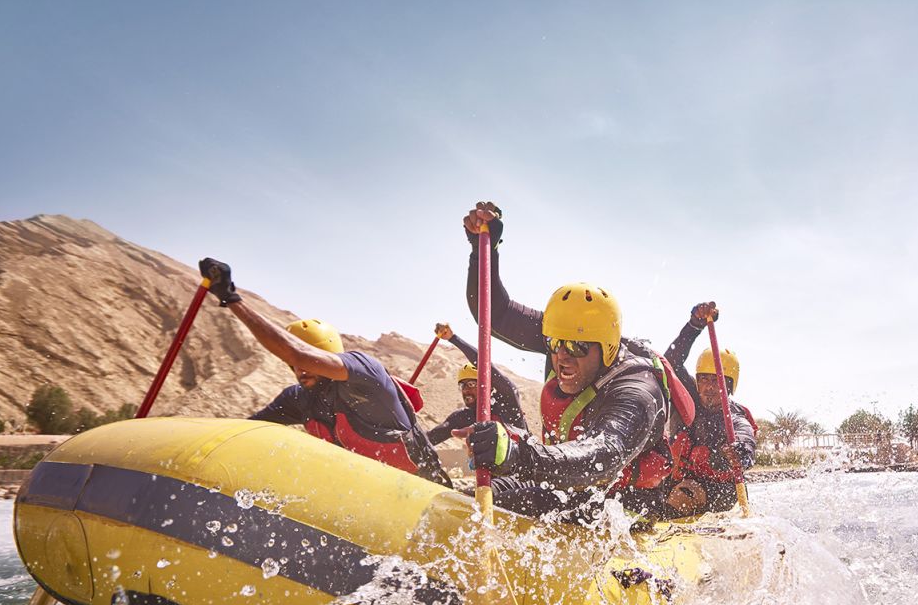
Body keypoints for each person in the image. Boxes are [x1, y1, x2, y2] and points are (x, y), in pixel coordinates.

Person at [458, 202, 694, 522]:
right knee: (472, 500)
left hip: (623, 505)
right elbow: (495, 314)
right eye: (554, 344)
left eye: (576, 347)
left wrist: (516, 453)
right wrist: (483, 250)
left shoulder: (638, 390)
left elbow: (604, 456)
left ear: (607, 347)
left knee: (518, 503)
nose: (561, 357)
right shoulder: (565, 335)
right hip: (561, 481)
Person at [198, 258, 452, 488]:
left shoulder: (365, 371)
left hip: (423, 487)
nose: (299, 369)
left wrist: (230, 298)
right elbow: (247, 430)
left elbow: (296, 353)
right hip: (368, 494)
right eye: (294, 365)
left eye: (308, 360)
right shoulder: (297, 398)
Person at [661, 301, 757, 515]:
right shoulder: (690, 399)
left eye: (717, 381)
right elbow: (671, 363)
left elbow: (746, 438)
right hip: (682, 480)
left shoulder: (734, 417)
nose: (709, 387)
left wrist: (740, 452)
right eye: (704, 379)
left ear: (730, 386)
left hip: (722, 492)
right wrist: (694, 325)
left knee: (682, 495)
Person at [425, 322, 530, 445]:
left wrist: (453, 339)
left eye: (470, 384)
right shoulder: (464, 416)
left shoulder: (507, 401)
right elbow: (430, 438)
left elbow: (485, 365)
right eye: (462, 386)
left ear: (488, 386)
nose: (465, 390)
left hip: (525, 461)